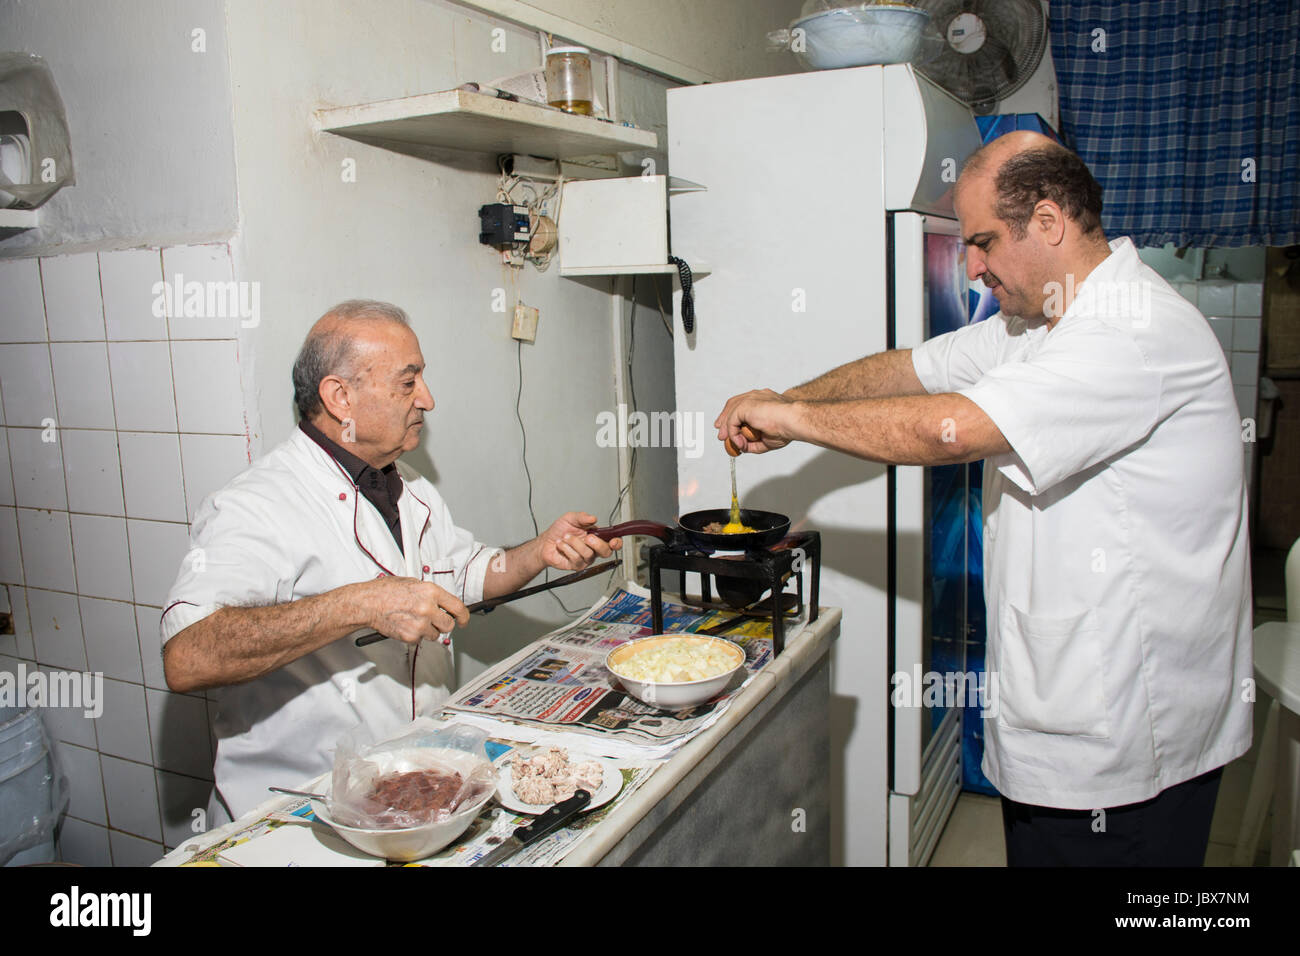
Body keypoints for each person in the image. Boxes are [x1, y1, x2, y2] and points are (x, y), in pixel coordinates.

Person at [714, 132, 1252, 866]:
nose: (972, 267)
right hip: (1062, 712)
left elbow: (951, 431)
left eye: (985, 242)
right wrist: (786, 397)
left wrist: (794, 421)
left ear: (1049, 222)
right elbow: (911, 370)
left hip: (1131, 740)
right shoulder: (1039, 322)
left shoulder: (1131, 329)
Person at [161, 299, 621, 824]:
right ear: (340, 397)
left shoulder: (411, 489)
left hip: (417, 792)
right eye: (408, 383)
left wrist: (537, 552)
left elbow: (462, 573)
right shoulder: (255, 504)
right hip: (297, 817)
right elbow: (187, 655)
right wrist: (360, 603)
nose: (428, 398)